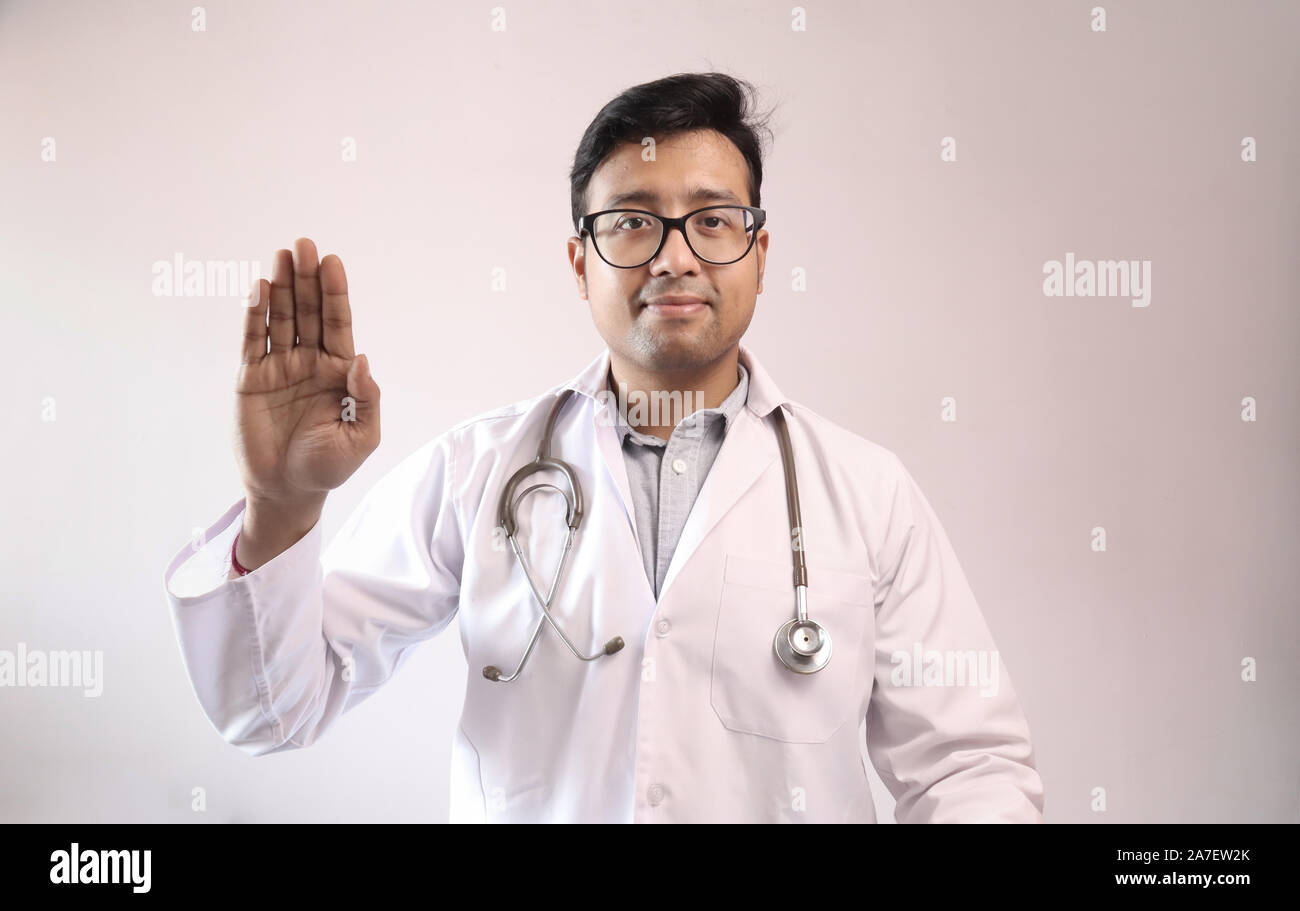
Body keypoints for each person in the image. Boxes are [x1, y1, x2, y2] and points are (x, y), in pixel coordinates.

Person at [163, 71, 1045, 823]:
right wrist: (280, 506)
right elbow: (269, 712)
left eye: (713, 219)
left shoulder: (865, 490)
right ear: (581, 261)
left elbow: (970, 770)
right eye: (632, 221)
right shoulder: (478, 470)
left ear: (759, 252)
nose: (675, 258)